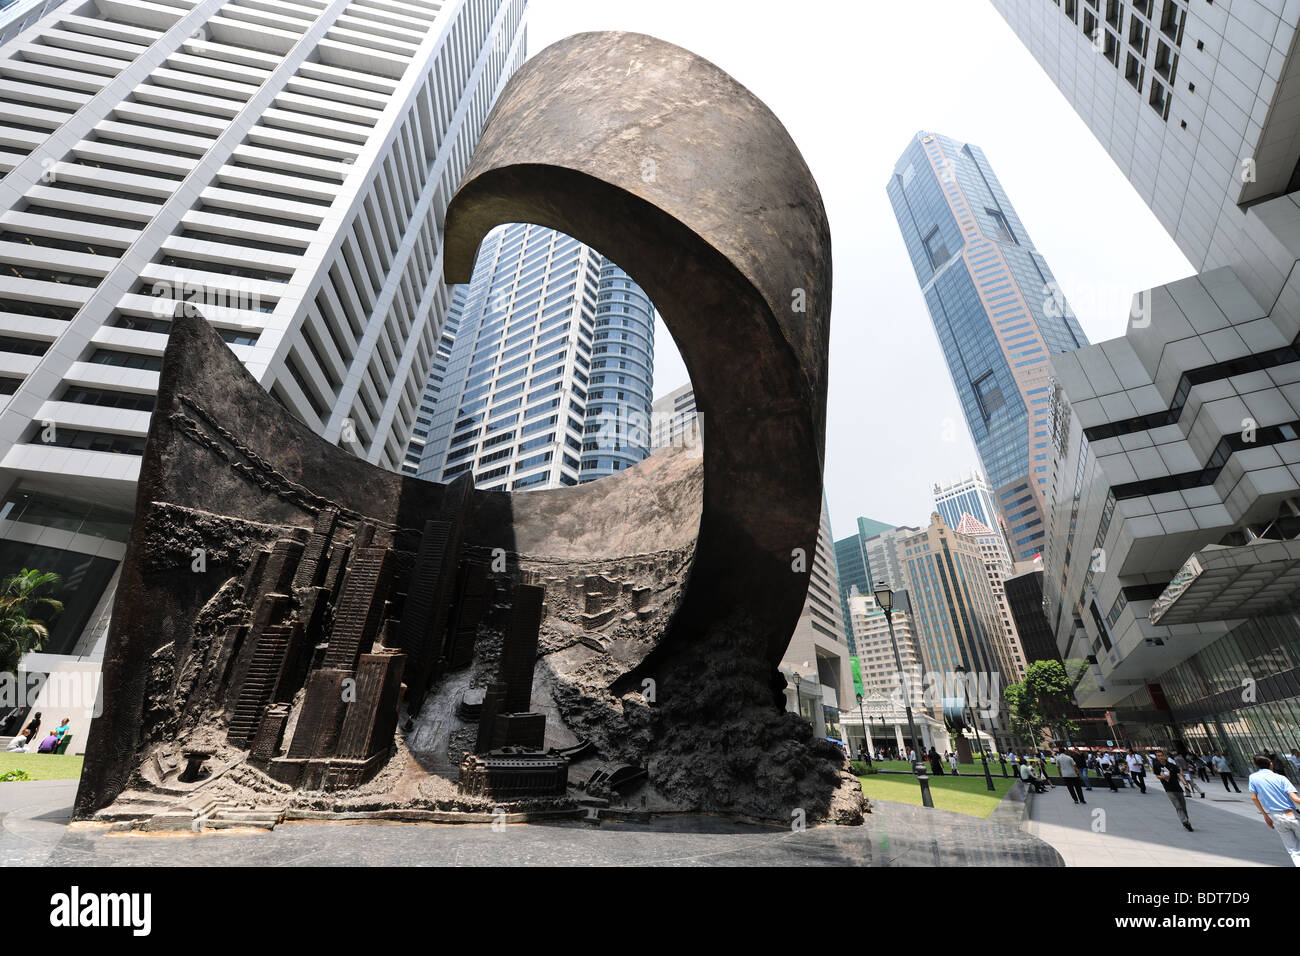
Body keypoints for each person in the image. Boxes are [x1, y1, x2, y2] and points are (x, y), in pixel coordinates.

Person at [1248, 753, 1300, 866]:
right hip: (1291, 815)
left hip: (1276, 817)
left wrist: (1265, 816)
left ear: (1256, 766)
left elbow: (1254, 798)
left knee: (1293, 850)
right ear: (1271, 764)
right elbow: (1295, 799)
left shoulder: (1253, 778)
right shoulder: (1281, 778)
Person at [1152, 749, 1193, 831]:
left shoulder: (1172, 765)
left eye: (1161, 755)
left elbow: (1179, 775)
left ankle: (1187, 821)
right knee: (1178, 806)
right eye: (1158, 756)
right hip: (1168, 789)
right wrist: (1162, 777)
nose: (1160, 757)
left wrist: (1185, 784)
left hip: (1178, 788)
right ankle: (1184, 821)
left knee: (1183, 807)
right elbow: (1157, 776)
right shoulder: (1156, 765)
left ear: (1165, 756)